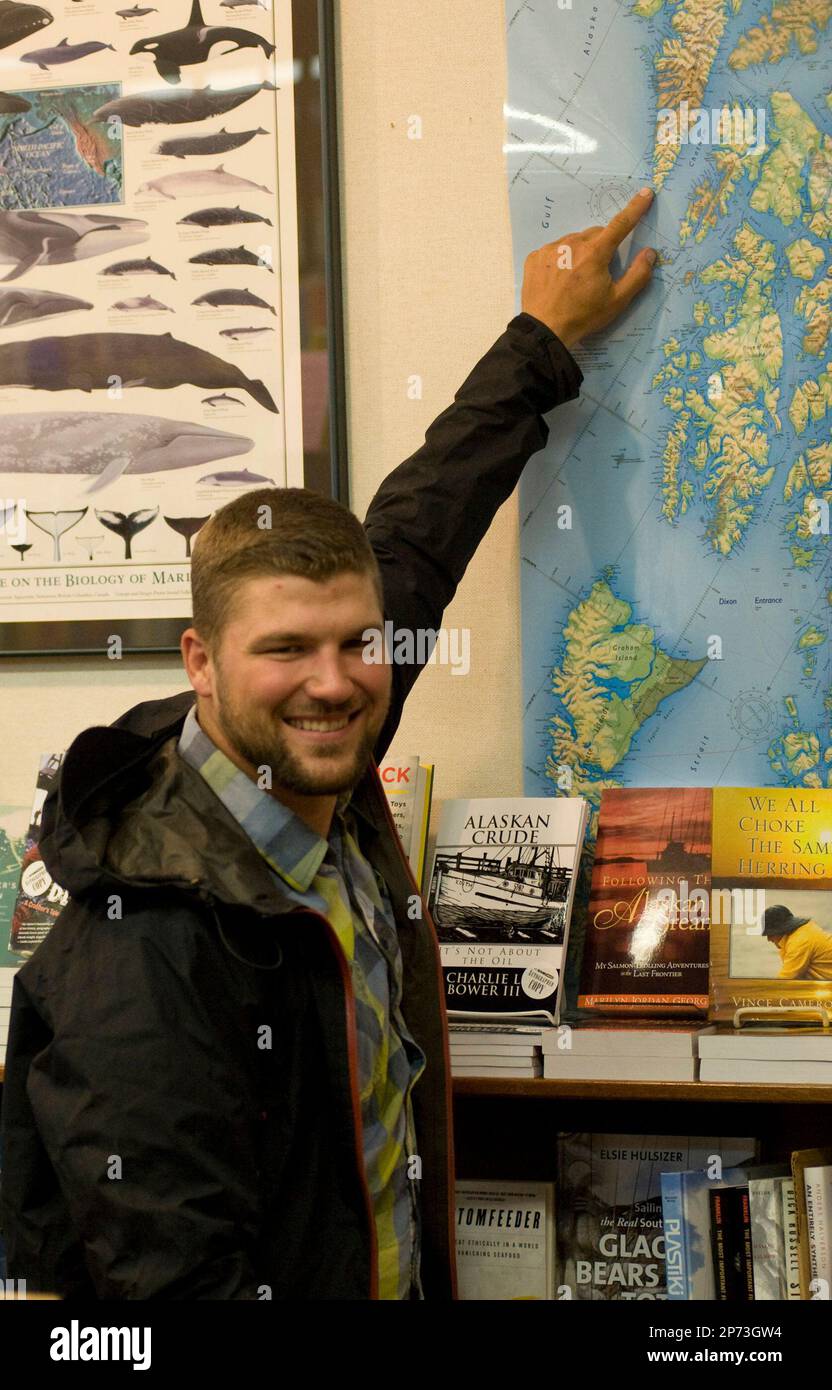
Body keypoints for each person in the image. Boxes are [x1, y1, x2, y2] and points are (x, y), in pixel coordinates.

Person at [0, 191, 657, 1300]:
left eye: (359, 642)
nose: (335, 680)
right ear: (199, 659)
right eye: (287, 649)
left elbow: (419, 523)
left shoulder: (308, 746)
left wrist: (539, 339)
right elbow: (175, 1286)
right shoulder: (145, 951)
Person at [762, 904, 832, 981]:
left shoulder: (799, 942)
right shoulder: (805, 929)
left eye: (770, 934)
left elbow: (783, 982)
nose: (769, 939)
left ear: (781, 930)